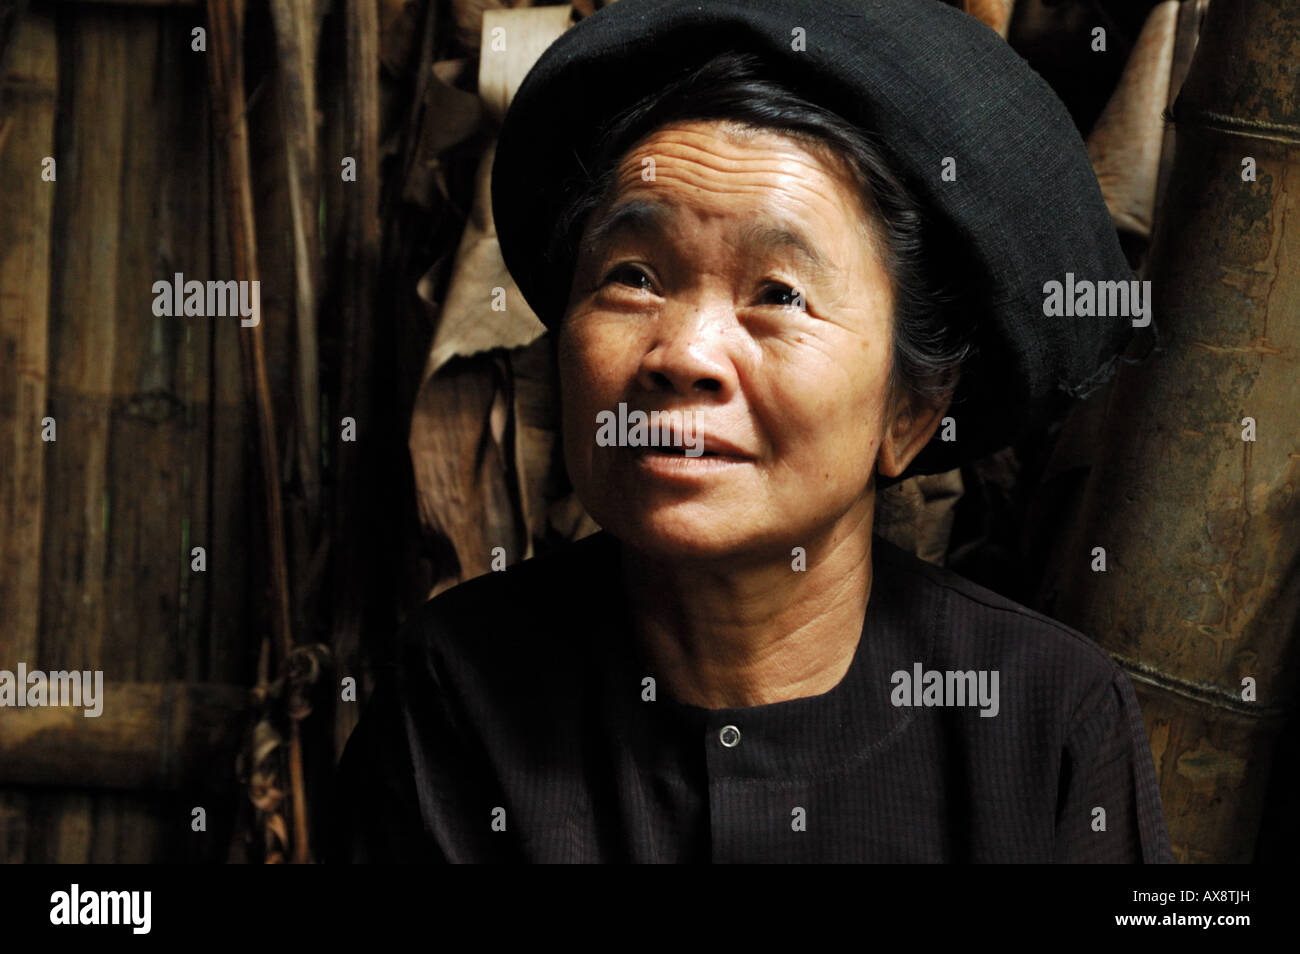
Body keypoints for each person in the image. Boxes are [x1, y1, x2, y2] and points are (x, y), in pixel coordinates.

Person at [330, 0, 1174, 863]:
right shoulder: (457, 694)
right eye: (633, 277)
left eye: (779, 295)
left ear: (911, 410)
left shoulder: (1047, 719)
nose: (684, 353)